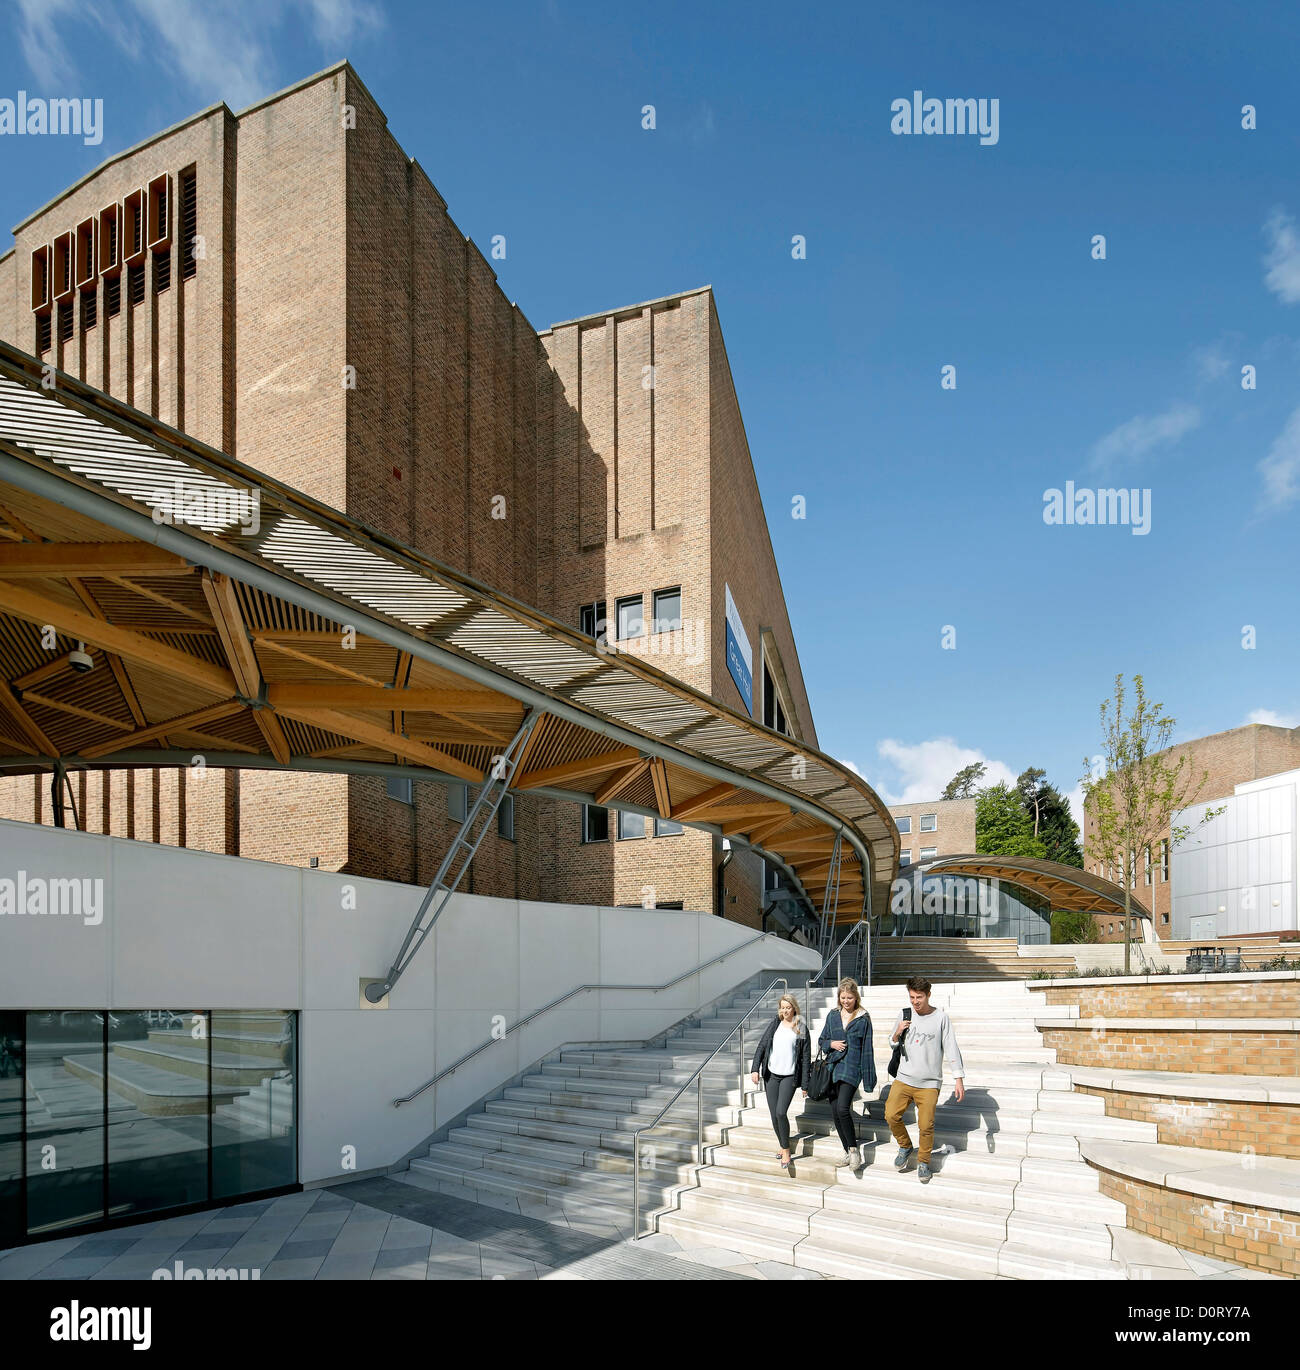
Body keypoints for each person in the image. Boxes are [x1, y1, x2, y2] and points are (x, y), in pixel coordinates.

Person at [886, 975, 965, 1184]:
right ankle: (905, 1146)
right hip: (903, 1078)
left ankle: (923, 1162)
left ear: (928, 995)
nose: (915, 1002)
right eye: (912, 997)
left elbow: (951, 1047)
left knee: (926, 1125)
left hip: (929, 1082)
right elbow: (892, 1042)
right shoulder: (904, 1014)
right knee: (890, 1115)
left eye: (919, 997)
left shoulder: (941, 1018)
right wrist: (897, 1033)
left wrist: (958, 1078)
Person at [818, 977, 876, 1168]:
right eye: (843, 997)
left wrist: (868, 1079)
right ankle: (846, 1151)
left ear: (856, 997)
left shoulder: (863, 1018)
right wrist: (831, 1044)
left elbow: (868, 1049)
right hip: (833, 1068)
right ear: (839, 997)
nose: (846, 1001)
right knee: (835, 1112)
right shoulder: (832, 1015)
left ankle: (854, 1150)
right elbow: (822, 1040)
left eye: (849, 997)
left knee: (843, 1108)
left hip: (852, 1068)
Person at [750, 992, 810, 1169]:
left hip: (789, 1076)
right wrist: (755, 1069)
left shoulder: (801, 1026)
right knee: (773, 1115)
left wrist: (805, 1084)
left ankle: (785, 1149)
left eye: (788, 1007)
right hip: (771, 1075)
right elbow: (762, 1046)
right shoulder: (775, 1024)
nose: (785, 1010)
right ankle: (784, 1144)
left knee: (781, 1112)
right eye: (782, 1007)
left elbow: (805, 1057)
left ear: (794, 1008)